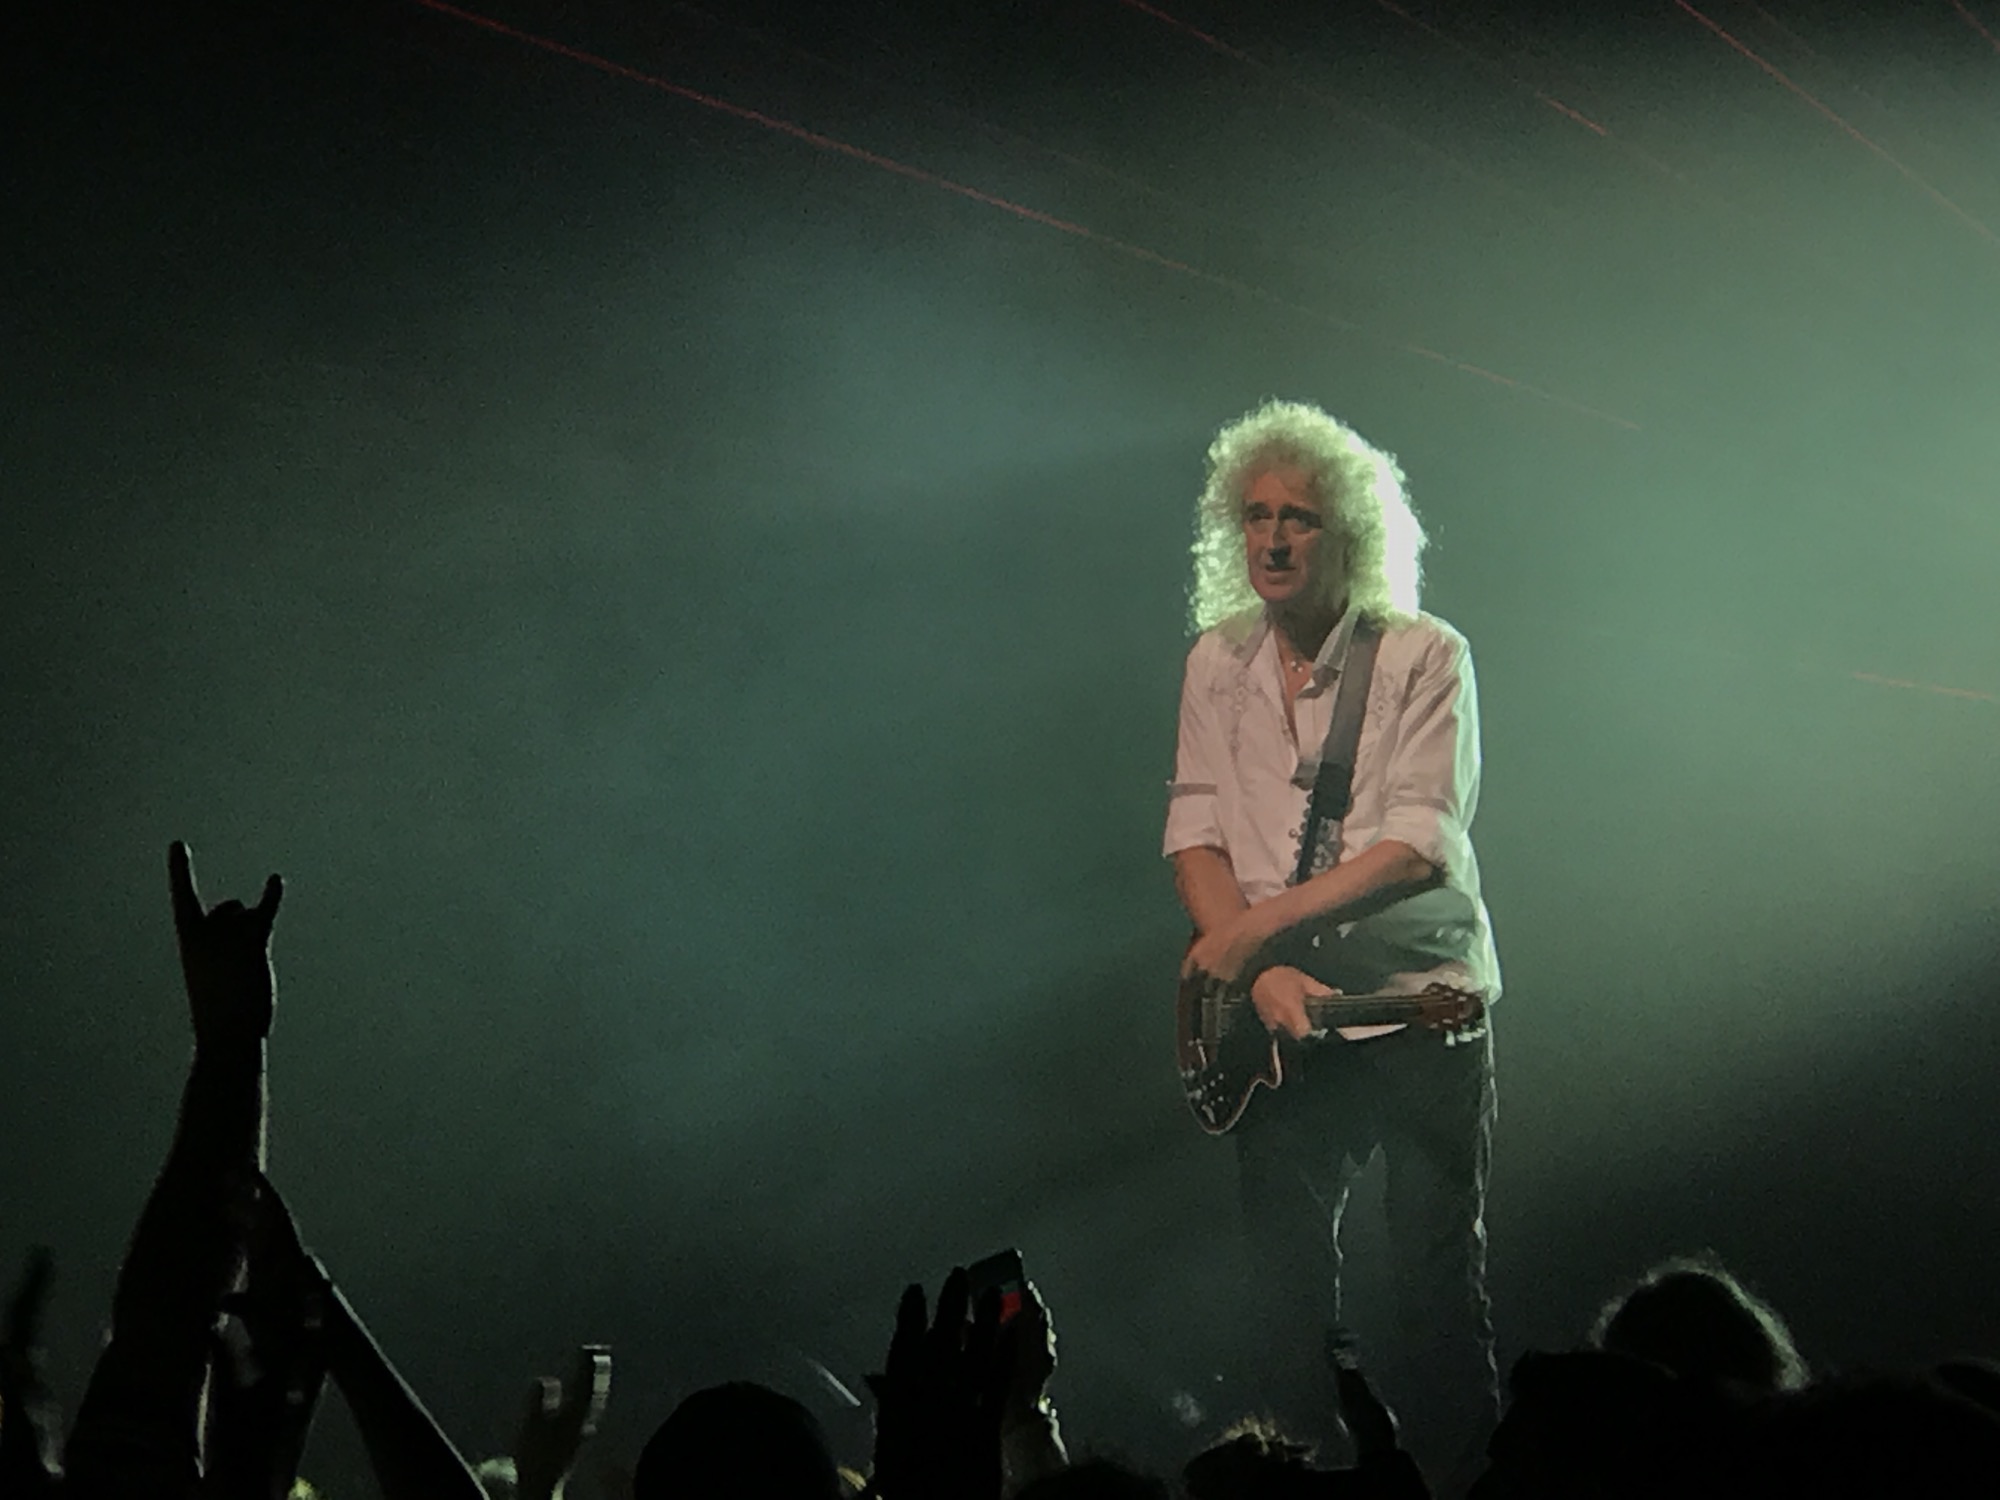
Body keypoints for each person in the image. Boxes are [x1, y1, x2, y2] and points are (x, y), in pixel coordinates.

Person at [1163, 399, 1501, 1485]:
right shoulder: (1214, 662)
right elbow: (1194, 832)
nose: (1269, 537)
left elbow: (1417, 847)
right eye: (1254, 515)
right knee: (1285, 1307)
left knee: (1433, 1296)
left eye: (1297, 518)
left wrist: (1256, 941)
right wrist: (1257, 974)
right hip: (1283, 1026)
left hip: (1414, 1011)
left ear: (1347, 532)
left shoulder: (1421, 656)